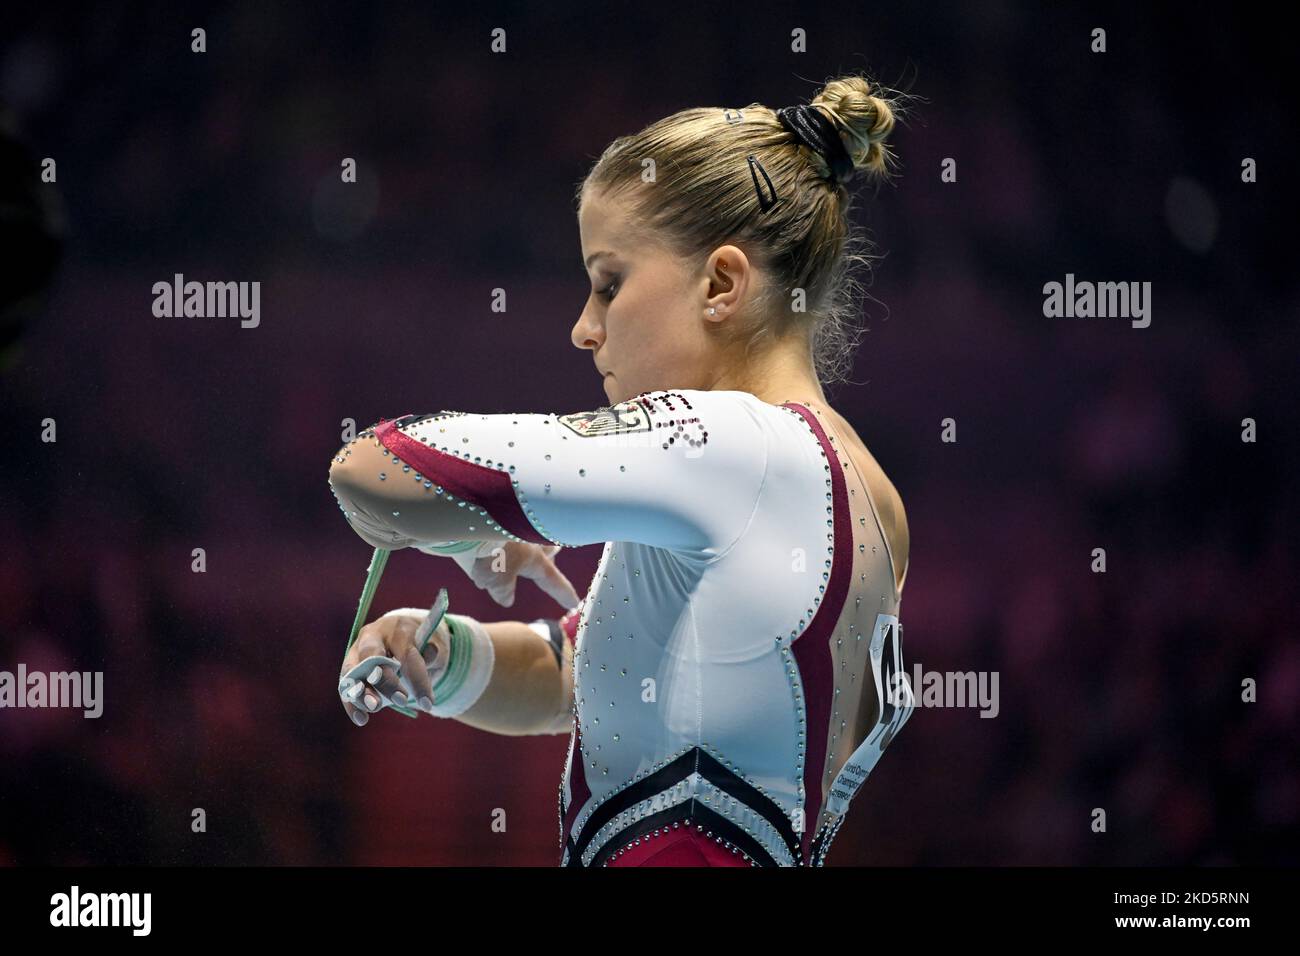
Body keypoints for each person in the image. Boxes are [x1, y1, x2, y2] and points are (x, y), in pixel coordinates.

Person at [328, 74, 916, 867]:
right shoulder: (868, 497)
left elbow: (371, 467)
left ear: (721, 284)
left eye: (610, 284)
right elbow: (591, 678)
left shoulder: (728, 442)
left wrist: (461, 534)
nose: (583, 328)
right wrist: (446, 656)